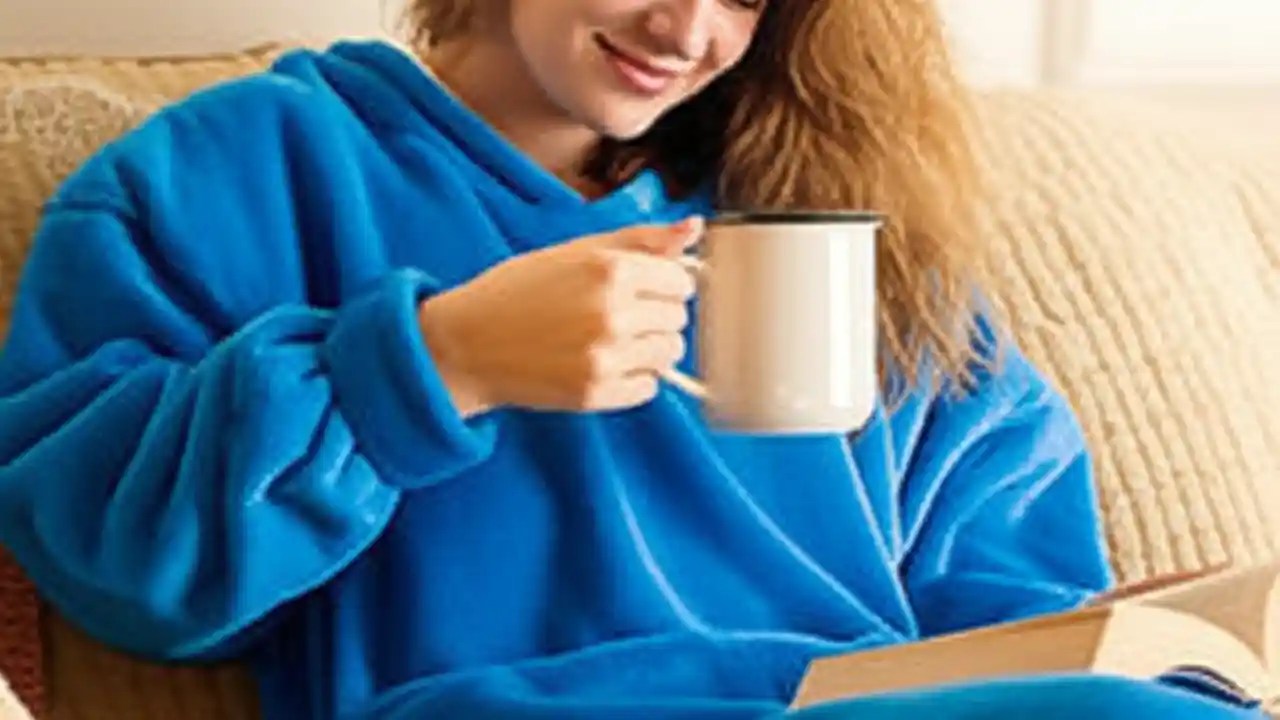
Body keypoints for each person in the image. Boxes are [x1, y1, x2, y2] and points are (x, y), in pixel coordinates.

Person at [0, 1, 1264, 719]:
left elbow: (1004, 585)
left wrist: (1133, 640)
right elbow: (118, 568)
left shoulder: (824, 214)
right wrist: (431, 365)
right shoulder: (232, 172)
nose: (686, 26)